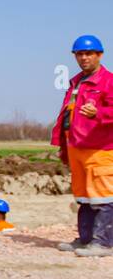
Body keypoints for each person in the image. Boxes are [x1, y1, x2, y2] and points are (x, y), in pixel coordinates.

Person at [51, 35, 113, 256]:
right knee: (83, 195)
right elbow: (67, 116)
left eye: (89, 53)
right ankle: (85, 239)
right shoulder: (76, 82)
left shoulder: (108, 81)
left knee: (103, 196)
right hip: (76, 146)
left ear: (99, 55)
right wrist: (62, 145)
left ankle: (103, 243)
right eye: (80, 54)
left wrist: (99, 113)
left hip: (100, 148)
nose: (84, 57)